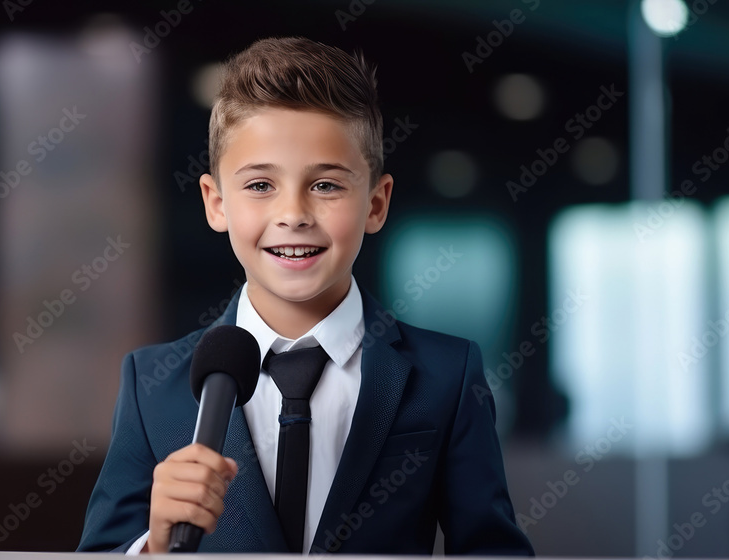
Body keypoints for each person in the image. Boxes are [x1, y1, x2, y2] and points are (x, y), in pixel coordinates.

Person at [77, 36, 533, 556]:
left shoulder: (447, 375)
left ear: (377, 204)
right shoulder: (151, 385)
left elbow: (494, 552)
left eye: (326, 186)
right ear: (216, 202)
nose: (293, 214)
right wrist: (154, 547)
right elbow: (102, 550)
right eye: (260, 186)